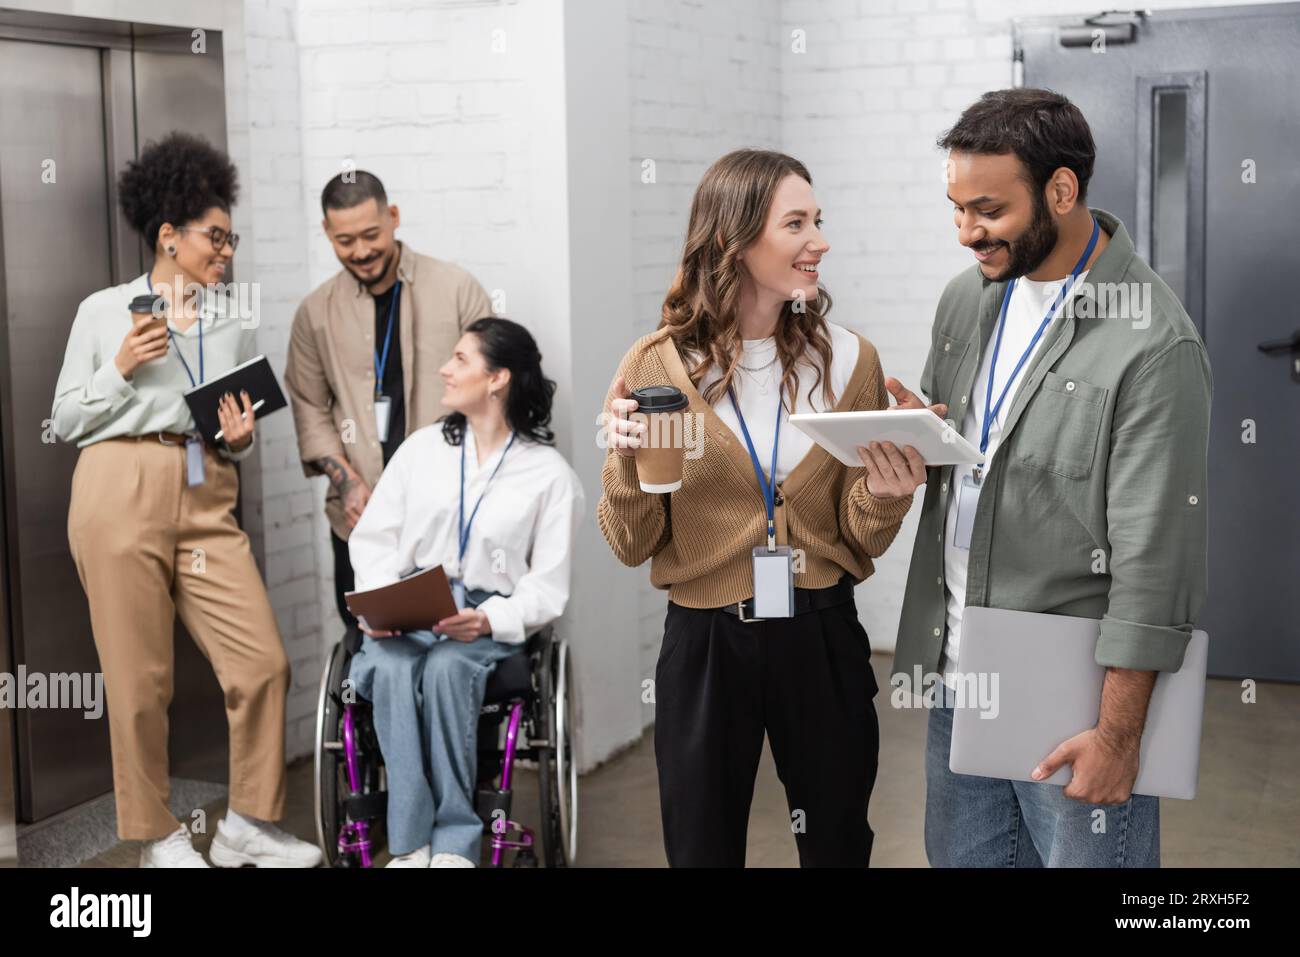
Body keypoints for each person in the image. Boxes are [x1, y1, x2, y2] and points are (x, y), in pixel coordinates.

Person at [894, 89, 1211, 867]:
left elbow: (1152, 560)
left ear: (1062, 191)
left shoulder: (1153, 341)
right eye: (956, 208)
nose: (967, 232)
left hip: (1075, 697)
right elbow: (975, 463)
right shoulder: (967, 301)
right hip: (958, 672)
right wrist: (910, 440)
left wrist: (1118, 734)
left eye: (989, 210)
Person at [598, 148, 939, 867]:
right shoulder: (656, 366)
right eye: (797, 223)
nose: (820, 240)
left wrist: (887, 495)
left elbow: (859, 537)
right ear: (735, 239)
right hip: (704, 643)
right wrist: (624, 464)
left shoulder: (849, 361)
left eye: (819, 220)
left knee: (838, 841)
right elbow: (632, 543)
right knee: (701, 846)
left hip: (820, 633)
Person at [52, 131, 321, 868]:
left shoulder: (232, 321)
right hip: (119, 486)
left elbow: (226, 425)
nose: (225, 252)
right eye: (214, 238)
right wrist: (119, 367)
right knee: (141, 682)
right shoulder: (104, 310)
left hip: (205, 487)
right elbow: (67, 417)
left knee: (262, 660)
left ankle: (248, 825)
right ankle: (158, 835)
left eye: (231, 241)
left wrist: (236, 436)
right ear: (168, 236)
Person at [347, 317, 585, 868]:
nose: (444, 370)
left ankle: (454, 843)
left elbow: (547, 585)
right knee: (391, 668)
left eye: (460, 359)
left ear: (498, 378)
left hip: (483, 617)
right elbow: (375, 537)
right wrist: (380, 601)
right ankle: (410, 845)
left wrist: (490, 620)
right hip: (410, 607)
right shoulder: (421, 451)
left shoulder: (548, 476)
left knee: (448, 669)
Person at [284, 170, 493, 627]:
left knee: (450, 642)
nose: (360, 251)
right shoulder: (314, 314)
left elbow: (494, 391)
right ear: (326, 233)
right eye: (344, 240)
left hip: (450, 511)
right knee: (370, 641)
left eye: (370, 234)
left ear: (393, 217)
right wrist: (346, 482)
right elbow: (308, 405)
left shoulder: (458, 289)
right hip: (358, 517)